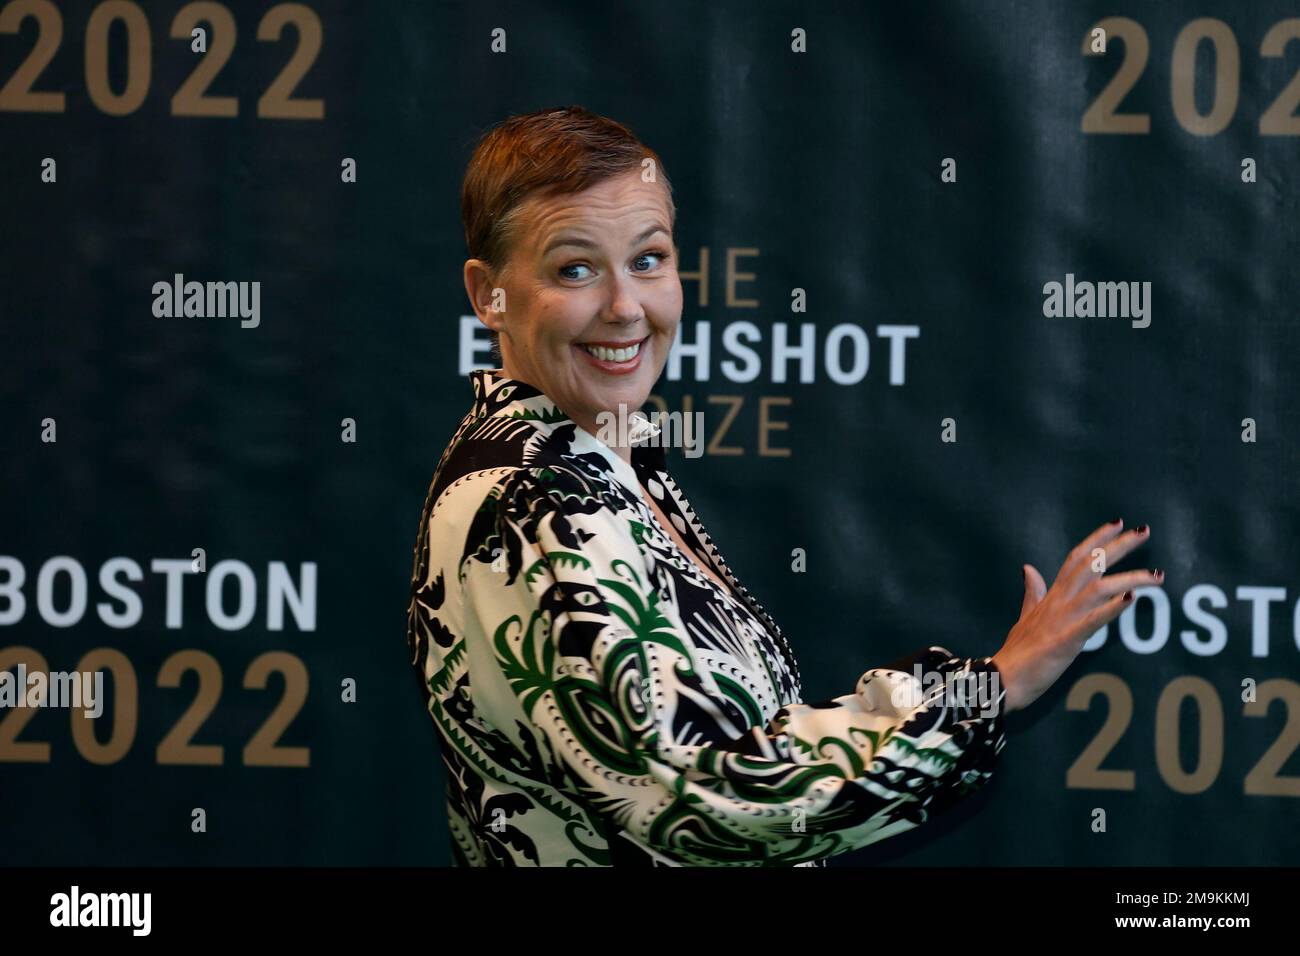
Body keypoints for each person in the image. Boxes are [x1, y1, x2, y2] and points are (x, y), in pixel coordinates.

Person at [405, 105, 1161, 867]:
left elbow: (751, 742)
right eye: (575, 269)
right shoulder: (535, 505)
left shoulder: (604, 461)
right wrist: (990, 691)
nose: (627, 307)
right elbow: (711, 797)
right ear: (487, 294)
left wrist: (984, 687)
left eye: (648, 259)